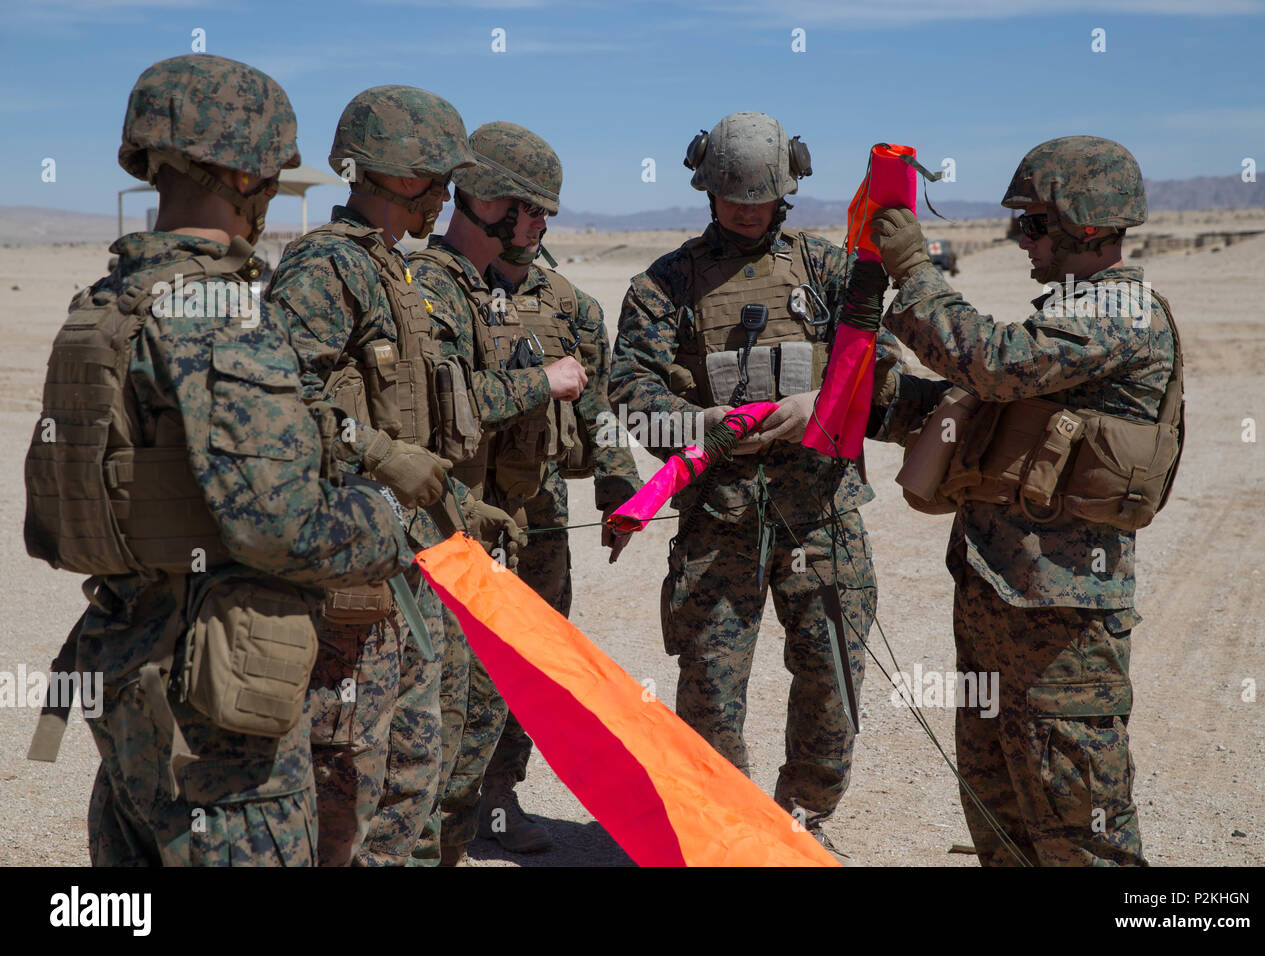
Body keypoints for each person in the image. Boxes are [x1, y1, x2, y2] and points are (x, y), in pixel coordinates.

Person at [23, 54, 415, 866]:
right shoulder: (217, 313)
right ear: (243, 170)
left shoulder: (100, 309)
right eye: (272, 173)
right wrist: (384, 521)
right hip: (215, 706)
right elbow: (282, 526)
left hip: (122, 661)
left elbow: (57, 520)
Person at [867, 135, 1183, 866]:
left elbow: (998, 363)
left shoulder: (1120, 312)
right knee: (1000, 809)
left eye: (1034, 224)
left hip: (1062, 620)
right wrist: (870, 393)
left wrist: (914, 272)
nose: (1021, 240)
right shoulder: (1069, 313)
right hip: (997, 598)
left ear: (1091, 230)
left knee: (1077, 820)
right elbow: (981, 408)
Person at [609, 111, 903, 860]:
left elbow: (883, 363)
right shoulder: (664, 285)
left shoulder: (830, 270)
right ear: (707, 190)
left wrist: (820, 404)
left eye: (762, 197)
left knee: (831, 676)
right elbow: (631, 389)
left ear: (789, 191)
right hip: (719, 520)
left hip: (821, 516)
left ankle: (802, 819)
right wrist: (698, 427)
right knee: (710, 689)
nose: (746, 209)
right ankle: (724, 831)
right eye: (733, 195)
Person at [264, 86, 521, 866]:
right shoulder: (324, 269)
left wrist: (460, 500)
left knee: (411, 776)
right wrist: (379, 457)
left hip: (412, 560)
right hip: (355, 573)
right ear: (392, 175)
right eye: (436, 179)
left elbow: (405, 418)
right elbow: (282, 401)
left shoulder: (393, 272)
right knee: (348, 777)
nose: (446, 197)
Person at [409, 121, 639, 863]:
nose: (540, 226)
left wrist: (617, 483)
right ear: (486, 202)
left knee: (526, 676)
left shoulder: (565, 303)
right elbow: (436, 404)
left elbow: (597, 402)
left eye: (545, 214)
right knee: (447, 684)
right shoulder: (425, 291)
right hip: (454, 526)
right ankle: (433, 819)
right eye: (530, 210)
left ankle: (495, 802)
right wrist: (540, 381)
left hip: (537, 524)